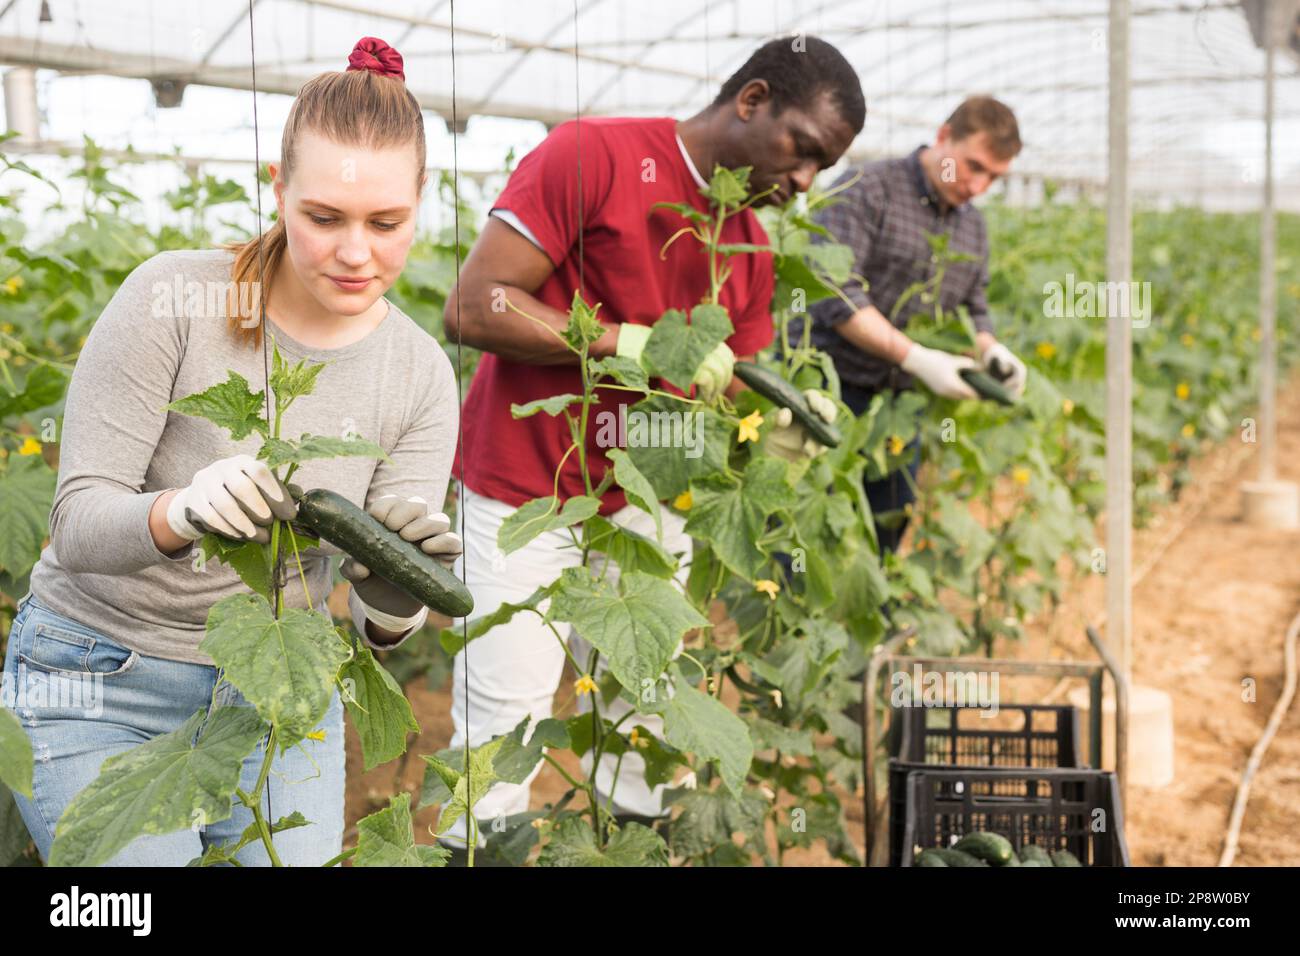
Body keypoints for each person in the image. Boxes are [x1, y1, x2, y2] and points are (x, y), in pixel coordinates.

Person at [1, 37, 463, 866]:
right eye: (323, 218)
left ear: (421, 201)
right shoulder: (171, 300)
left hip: (278, 702)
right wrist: (178, 511)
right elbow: (75, 526)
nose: (355, 252)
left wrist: (394, 597)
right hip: (100, 678)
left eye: (385, 222)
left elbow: (372, 626)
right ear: (278, 191)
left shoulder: (421, 374)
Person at [441, 35, 864, 857]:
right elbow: (476, 305)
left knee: (647, 716)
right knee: (503, 719)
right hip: (526, 490)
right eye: (803, 150)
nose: (805, 181)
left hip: (646, 498)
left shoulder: (747, 245)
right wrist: (627, 344)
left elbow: (728, 376)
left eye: (824, 167)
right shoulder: (591, 154)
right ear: (751, 100)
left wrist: (775, 423)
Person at [793, 95, 1029, 553]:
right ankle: (798, 622)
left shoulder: (972, 226)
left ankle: (872, 612)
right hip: (828, 386)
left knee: (891, 515)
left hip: (903, 401)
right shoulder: (868, 187)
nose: (978, 186)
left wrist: (990, 349)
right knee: (809, 519)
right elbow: (834, 292)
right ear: (943, 137)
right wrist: (915, 356)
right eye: (973, 166)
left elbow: (974, 304)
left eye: (994, 178)